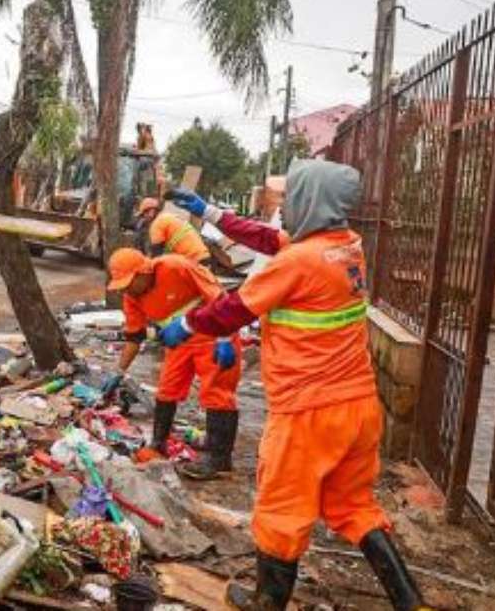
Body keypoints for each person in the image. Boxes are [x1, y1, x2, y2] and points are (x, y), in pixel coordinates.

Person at [160, 160, 428, 610]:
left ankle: (267, 603)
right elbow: (269, 238)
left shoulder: (297, 264)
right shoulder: (347, 247)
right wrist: (210, 213)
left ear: (310, 202)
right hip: (359, 407)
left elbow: (233, 308)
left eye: (289, 199)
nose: (283, 208)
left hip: (308, 413)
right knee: (354, 505)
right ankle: (411, 602)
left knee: (282, 508)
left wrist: (185, 325)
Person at [102, 248, 242, 480]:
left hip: (214, 335)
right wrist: (119, 371)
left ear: (144, 272)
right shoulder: (131, 298)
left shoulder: (177, 267)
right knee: (167, 390)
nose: (127, 289)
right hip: (180, 342)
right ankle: (158, 444)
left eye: (129, 283)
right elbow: (134, 337)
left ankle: (219, 460)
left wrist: (225, 338)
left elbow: (220, 299)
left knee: (216, 393)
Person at [134, 197, 211, 264]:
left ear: (151, 211)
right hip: (203, 256)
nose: (144, 218)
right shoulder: (168, 217)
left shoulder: (157, 224)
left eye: (144, 214)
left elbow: (156, 256)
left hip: (193, 260)